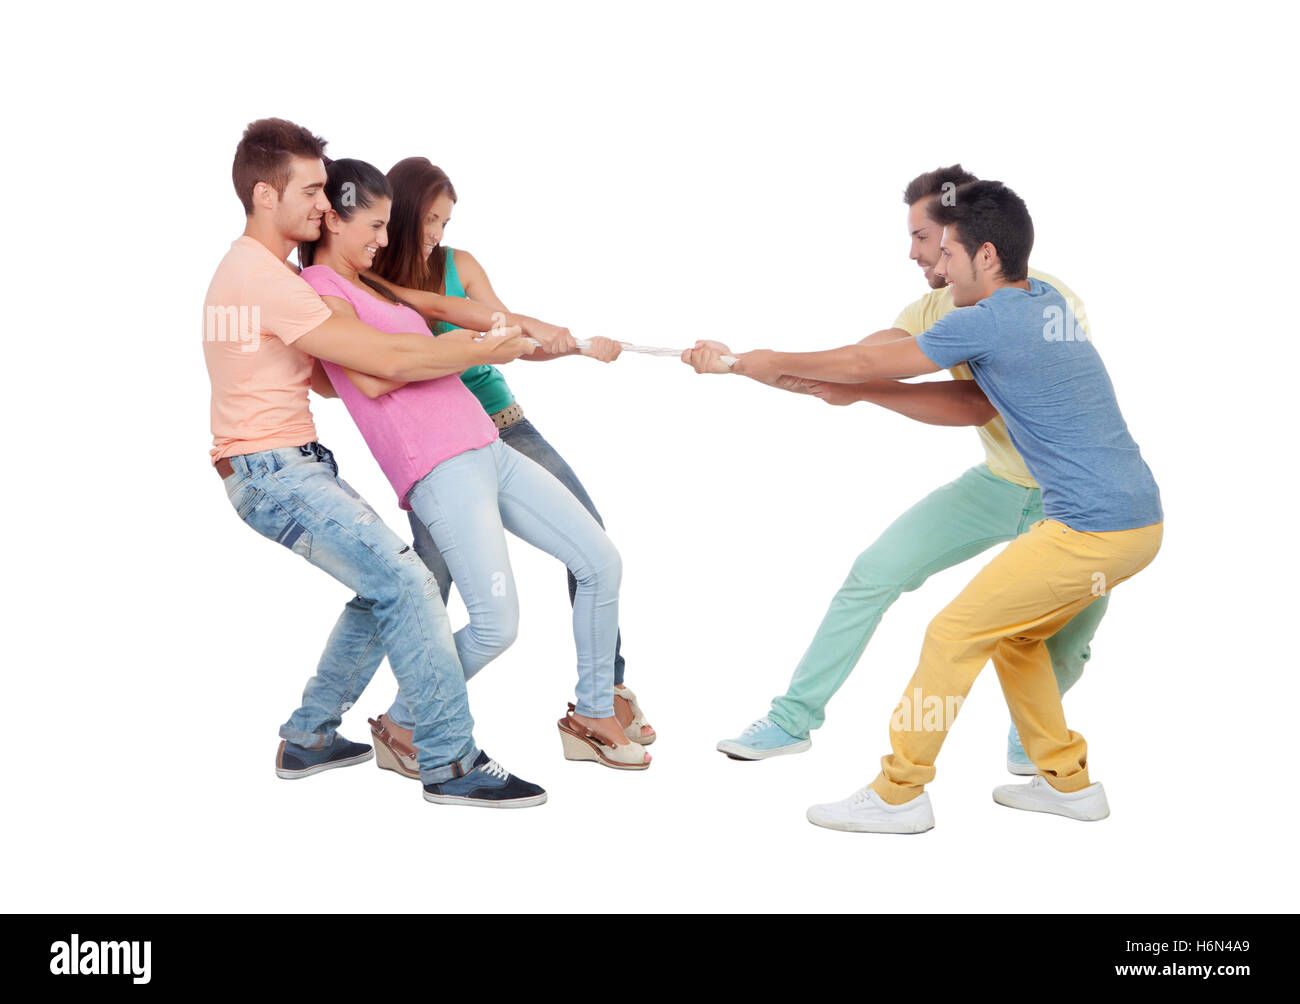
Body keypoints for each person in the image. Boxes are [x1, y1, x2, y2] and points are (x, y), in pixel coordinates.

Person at [687, 180, 1162, 832]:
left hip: (1091, 528)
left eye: (944, 251)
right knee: (1016, 638)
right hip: (1128, 519)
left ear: (986, 255)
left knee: (951, 634)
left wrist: (750, 361)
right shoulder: (1037, 299)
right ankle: (1068, 783)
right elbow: (874, 367)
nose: (934, 264)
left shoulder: (985, 317)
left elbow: (862, 363)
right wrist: (787, 373)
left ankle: (897, 794)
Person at [203, 118, 546, 807]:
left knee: (379, 588)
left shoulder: (248, 275)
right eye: (311, 192)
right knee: (411, 584)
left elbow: (330, 374)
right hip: (273, 471)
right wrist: (481, 348)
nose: (325, 206)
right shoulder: (266, 279)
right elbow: (382, 363)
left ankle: (311, 736)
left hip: (277, 466)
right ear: (266, 196)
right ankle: (449, 761)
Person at [300, 158, 648, 770]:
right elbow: (378, 377)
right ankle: (405, 722)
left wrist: (557, 339)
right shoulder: (320, 293)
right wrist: (468, 348)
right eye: (375, 227)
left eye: (389, 227)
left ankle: (595, 711)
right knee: (495, 626)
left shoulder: (374, 285)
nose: (385, 240)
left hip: (488, 442)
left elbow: (465, 316)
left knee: (600, 559)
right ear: (334, 219)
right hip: (439, 467)